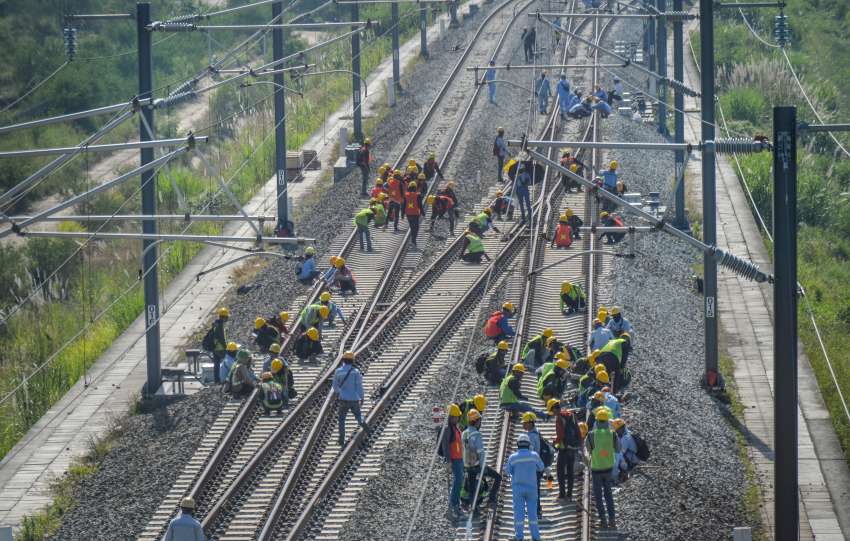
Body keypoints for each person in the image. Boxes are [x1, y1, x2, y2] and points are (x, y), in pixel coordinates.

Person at [505, 433, 544, 541]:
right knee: (533, 515)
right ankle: (536, 537)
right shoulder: (534, 455)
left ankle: (519, 537)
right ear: (528, 444)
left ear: (518, 445)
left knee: (519, 514)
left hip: (518, 490)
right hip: (532, 489)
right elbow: (541, 467)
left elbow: (507, 471)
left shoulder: (513, 457)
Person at [462, 408, 502, 510]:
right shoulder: (476, 434)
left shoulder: (464, 433)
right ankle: (491, 500)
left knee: (471, 487)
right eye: (479, 421)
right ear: (476, 422)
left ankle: (472, 507)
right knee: (497, 477)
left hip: (467, 464)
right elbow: (480, 452)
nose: (480, 423)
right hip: (477, 465)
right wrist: (483, 466)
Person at [587, 408, 620, 529]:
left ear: (597, 421)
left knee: (598, 496)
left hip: (596, 469)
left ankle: (603, 521)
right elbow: (618, 449)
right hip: (608, 469)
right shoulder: (613, 434)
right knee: (608, 495)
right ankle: (612, 521)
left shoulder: (591, 435)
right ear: (607, 421)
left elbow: (589, 450)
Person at [333, 351, 369, 446]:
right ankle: (364, 425)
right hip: (354, 399)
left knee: (341, 419)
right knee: (358, 416)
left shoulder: (338, 371)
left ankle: (341, 439)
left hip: (343, 399)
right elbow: (359, 386)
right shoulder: (355, 372)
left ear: (343, 360)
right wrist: (362, 397)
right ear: (352, 361)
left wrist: (340, 393)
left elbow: (335, 387)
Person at [550, 399, 581, 500]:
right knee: (570, 471)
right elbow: (577, 430)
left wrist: (555, 441)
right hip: (572, 447)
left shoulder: (559, 418)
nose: (553, 413)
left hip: (564, 448)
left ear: (554, 409)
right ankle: (570, 495)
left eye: (552, 410)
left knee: (560, 471)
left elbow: (561, 436)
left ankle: (562, 494)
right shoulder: (570, 415)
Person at [440, 403, 465, 517]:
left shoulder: (455, 426)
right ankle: (453, 504)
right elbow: (445, 446)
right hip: (454, 460)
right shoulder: (447, 429)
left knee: (459, 482)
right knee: (458, 481)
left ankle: (455, 504)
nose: (457, 418)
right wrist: (448, 461)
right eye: (455, 416)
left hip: (459, 459)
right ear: (450, 417)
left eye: (457, 416)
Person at [522, 412, 544, 516]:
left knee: (532, 490)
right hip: (536, 466)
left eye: (525, 422)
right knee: (535, 489)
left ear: (531, 423)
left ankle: (536, 510)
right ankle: (537, 509)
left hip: (532, 468)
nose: (523, 425)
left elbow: (529, 453)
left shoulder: (530, 436)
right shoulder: (537, 433)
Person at [209, 307, 229, 384]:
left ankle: (216, 380)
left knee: (216, 364)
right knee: (228, 362)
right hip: (220, 348)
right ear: (224, 317)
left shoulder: (216, 323)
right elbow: (221, 338)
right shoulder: (220, 325)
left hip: (215, 347)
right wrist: (226, 348)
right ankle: (225, 378)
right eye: (227, 316)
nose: (227, 318)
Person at [404, 181, 422, 247]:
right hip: (415, 213)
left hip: (408, 214)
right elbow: (420, 205)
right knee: (416, 227)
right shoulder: (418, 195)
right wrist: (423, 213)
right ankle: (413, 241)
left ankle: (413, 241)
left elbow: (403, 204)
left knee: (412, 227)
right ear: (415, 187)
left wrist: (403, 214)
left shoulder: (406, 195)